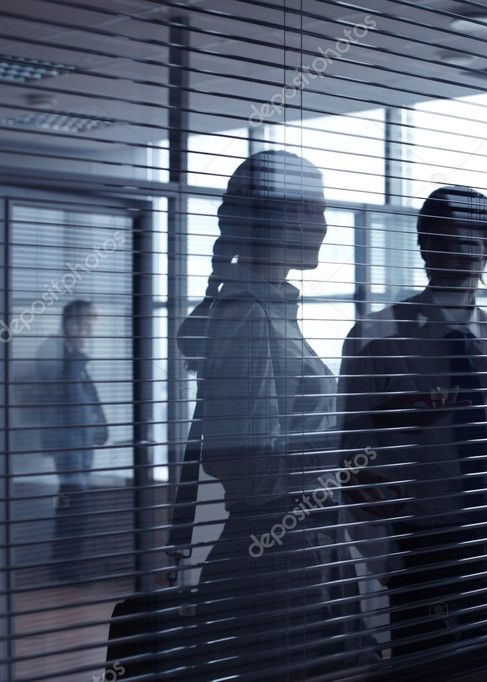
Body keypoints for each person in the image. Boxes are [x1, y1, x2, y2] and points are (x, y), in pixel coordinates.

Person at [175, 150, 373, 677]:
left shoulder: (266, 310)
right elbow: (256, 467)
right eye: (309, 211)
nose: (325, 227)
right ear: (268, 218)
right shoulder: (249, 316)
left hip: (298, 542)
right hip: (286, 551)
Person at [338, 185, 487, 659]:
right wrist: (390, 564)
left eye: (474, 237)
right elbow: (349, 462)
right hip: (423, 550)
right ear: (424, 244)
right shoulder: (376, 338)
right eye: (445, 236)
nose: (461, 249)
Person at [36, 300, 107, 581]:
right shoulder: (56, 353)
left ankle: (63, 566)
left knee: (71, 507)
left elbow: (85, 401)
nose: (90, 330)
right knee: (75, 507)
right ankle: (66, 568)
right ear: (72, 324)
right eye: (87, 323)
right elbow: (66, 400)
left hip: (79, 446)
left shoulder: (73, 355)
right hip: (68, 448)